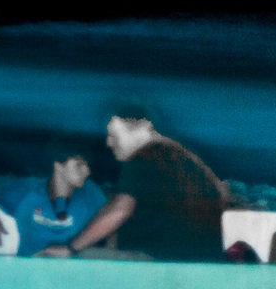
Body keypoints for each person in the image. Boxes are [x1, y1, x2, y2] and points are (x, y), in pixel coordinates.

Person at [42, 105, 228, 261]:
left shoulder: (147, 156)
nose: (108, 143)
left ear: (141, 129)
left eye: (114, 135)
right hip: (190, 259)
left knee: (61, 261)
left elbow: (120, 210)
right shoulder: (174, 155)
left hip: (165, 262)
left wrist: (70, 248)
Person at [0, 139, 108, 256]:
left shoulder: (90, 192)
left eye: (87, 165)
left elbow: (110, 220)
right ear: (57, 165)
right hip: (30, 268)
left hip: (72, 270)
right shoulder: (27, 190)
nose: (87, 171)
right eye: (79, 165)